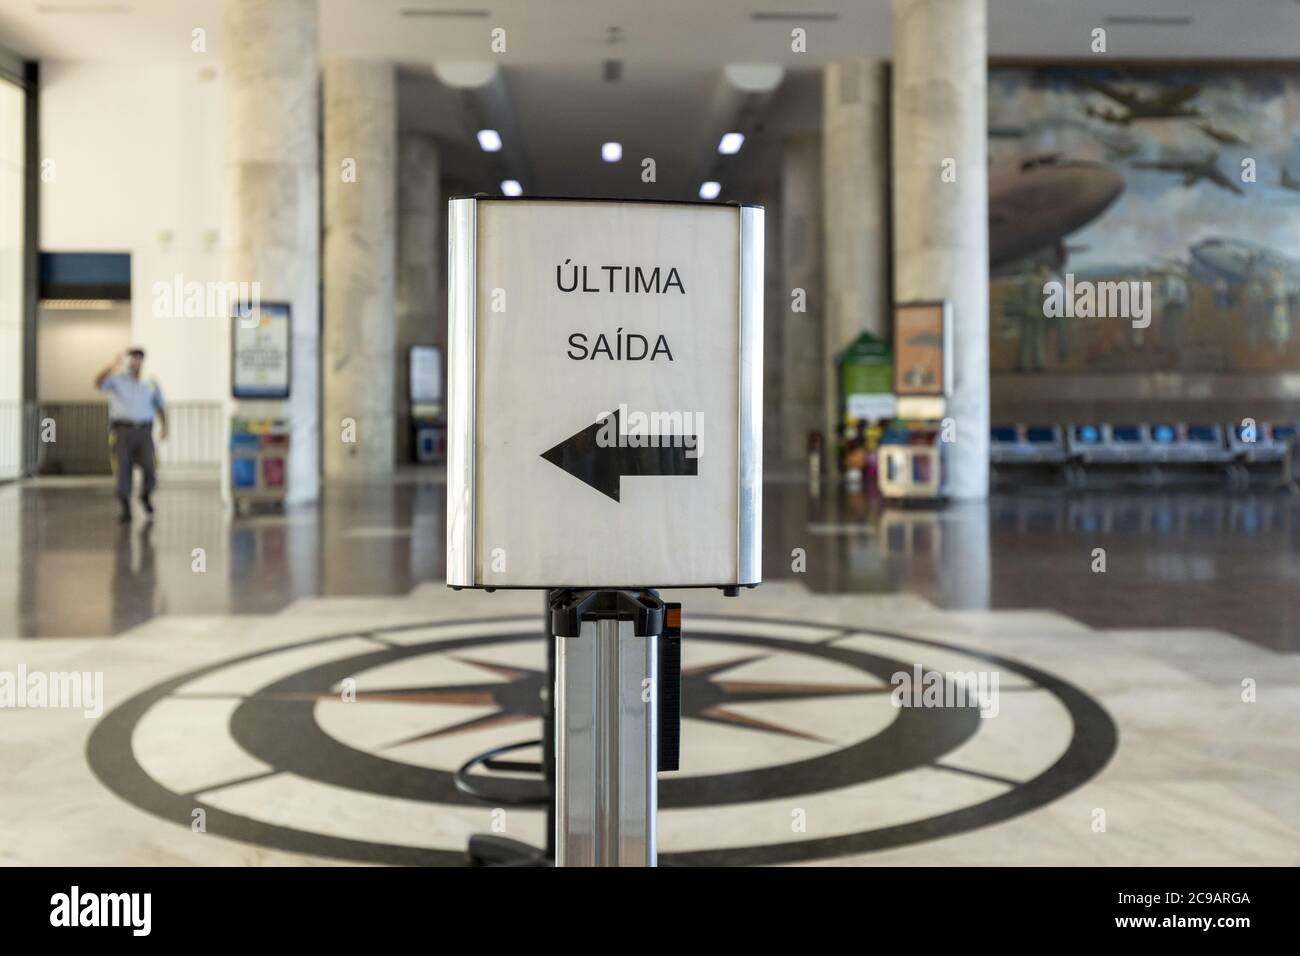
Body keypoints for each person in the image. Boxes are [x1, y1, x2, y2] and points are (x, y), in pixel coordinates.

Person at [94, 348, 167, 523]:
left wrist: (165, 426)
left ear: (143, 361)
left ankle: (146, 495)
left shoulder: (150, 382)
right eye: (132, 359)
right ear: (127, 361)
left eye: (138, 359)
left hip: (144, 431)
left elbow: (160, 405)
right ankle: (125, 506)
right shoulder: (117, 380)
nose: (135, 363)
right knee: (123, 469)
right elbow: (97, 383)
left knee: (150, 466)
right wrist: (112, 365)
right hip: (122, 431)